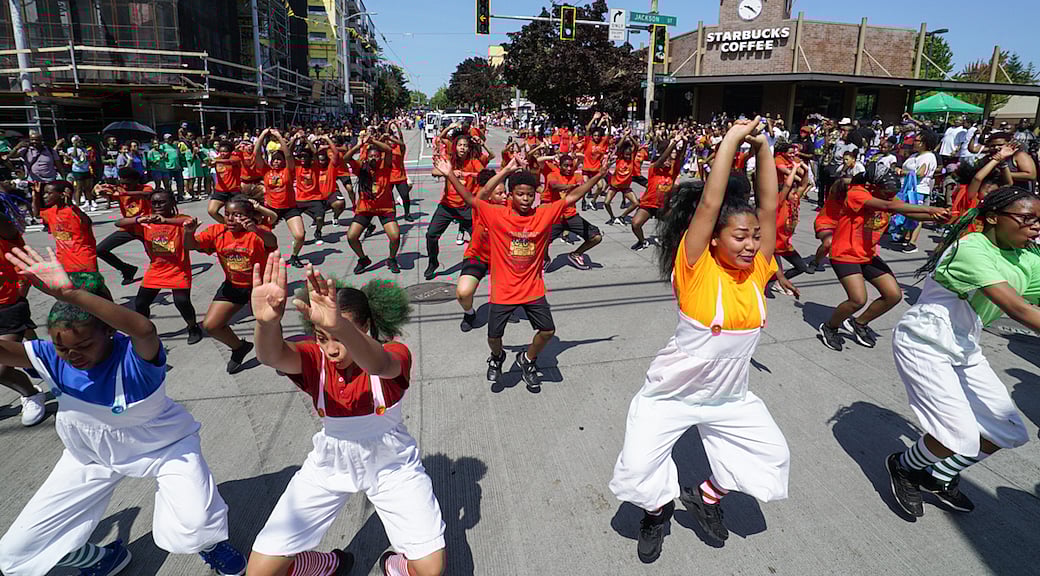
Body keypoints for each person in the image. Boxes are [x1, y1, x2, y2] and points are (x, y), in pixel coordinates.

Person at [0, 246, 247, 576]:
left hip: (165, 449)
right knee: (16, 551)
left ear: (109, 330)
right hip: (90, 457)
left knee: (197, 523)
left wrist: (69, 294)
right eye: (62, 348)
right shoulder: (50, 357)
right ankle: (99, 558)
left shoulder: (136, 359)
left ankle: (209, 545)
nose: (72, 356)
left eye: (83, 345)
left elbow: (144, 329)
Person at [609, 119, 790, 563]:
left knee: (770, 456)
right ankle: (657, 513)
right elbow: (711, 202)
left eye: (754, 237)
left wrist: (763, 147)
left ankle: (704, 496)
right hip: (671, 394)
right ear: (712, 239)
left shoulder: (757, 270)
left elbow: (769, 207)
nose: (751, 245)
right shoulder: (695, 267)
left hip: (729, 396)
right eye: (739, 237)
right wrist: (731, 141)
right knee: (638, 469)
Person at [247, 256, 445, 576]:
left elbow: (379, 365)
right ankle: (323, 564)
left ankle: (394, 565)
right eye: (321, 337)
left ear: (364, 328)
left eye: (340, 337)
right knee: (260, 572)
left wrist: (337, 325)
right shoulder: (314, 360)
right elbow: (272, 355)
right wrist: (267, 323)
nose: (331, 350)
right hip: (330, 461)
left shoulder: (394, 353)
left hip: (391, 464)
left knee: (430, 570)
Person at [886, 186, 1040, 518]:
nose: (1036, 226)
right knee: (959, 435)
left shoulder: (1027, 258)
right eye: (1027, 218)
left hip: (964, 348)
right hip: (924, 342)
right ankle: (904, 466)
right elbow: (1019, 309)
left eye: (1039, 220)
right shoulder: (971, 248)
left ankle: (937, 475)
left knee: (1008, 430)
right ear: (994, 218)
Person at [451, 154, 609, 391]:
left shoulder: (544, 213)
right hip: (503, 290)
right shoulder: (496, 215)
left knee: (548, 330)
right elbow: (472, 199)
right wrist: (449, 174)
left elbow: (573, 196)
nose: (525, 199)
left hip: (532, 288)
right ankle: (497, 357)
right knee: (494, 337)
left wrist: (599, 175)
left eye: (529, 194)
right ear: (510, 195)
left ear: (536, 194)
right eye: (519, 194)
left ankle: (527, 359)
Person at [818, 163, 948, 351]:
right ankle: (830, 327)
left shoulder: (886, 196)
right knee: (857, 300)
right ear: (873, 186)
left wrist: (937, 218)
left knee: (893, 295)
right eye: (887, 192)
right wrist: (930, 209)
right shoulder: (857, 193)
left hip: (867, 255)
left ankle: (859, 323)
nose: (890, 195)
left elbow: (906, 211)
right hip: (846, 254)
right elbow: (888, 206)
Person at [186, 195, 276, 374]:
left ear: (249, 217)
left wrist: (256, 230)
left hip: (260, 286)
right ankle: (239, 348)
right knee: (211, 325)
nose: (230, 218)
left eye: (237, 215)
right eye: (227, 214)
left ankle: (279, 352)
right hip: (233, 285)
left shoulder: (257, 232)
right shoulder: (217, 231)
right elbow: (191, 245)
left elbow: (272, 242)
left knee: (270, 325)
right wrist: (189, 232)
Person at [116, 189, 203, 345]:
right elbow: (119, 223)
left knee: (182, 301)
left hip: (178, 268)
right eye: (154, 203)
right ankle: (145, 330)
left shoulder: (179, 219)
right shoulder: (147, 222)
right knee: (141, 303)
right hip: (156, 269)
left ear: (172, 203)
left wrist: (165, 221)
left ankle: (193, 327)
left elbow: (189, 221)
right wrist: (139, 219)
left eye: (162, 202)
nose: (157, 206)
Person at [0, 206, 46, 426]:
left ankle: (31, 394)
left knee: (1, 369)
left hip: (7, 307)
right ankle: (36, 355)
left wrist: (20, 291)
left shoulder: (5, 232)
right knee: (27, 342)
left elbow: (8, 228)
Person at [426, 132, 487, 280]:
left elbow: (483, 174)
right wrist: (450, 172)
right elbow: (434, 171)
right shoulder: (449, 160)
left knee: (479, 237)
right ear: (455, 147)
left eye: (465, 145)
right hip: (447, 206)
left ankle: (482, 262)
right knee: (431, 235)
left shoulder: (473, 161)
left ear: (469, 148)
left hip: (466, 207)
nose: (462, 148)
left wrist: (467, 174)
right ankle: (433, 262)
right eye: (460, 145)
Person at [454, 168, 509, 333]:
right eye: (500, 193)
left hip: (502, 258)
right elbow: (484, 192)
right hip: (478, 256)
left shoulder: (511, 207)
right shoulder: (481, 206)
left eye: (505, 192)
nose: (505, 196)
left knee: (506, 292)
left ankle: (507, 307)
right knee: (463, 293)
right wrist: (507, 169)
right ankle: (469, 314)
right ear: (490, 195)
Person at [343, 135, 401, 274]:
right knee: (351, 236)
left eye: (376, 156)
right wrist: (358, 145)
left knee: (395, 236)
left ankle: (392, 259)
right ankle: (363, 259)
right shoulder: (361, 168)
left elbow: (388, 150)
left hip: (385, 208)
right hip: (365, 209)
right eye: (371, 156)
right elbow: (346, 158)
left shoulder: (385, 166)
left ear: (380, 157)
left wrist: (373, 141)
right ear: (366, 157)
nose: (373, 158)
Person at [254, 128, 308, 268]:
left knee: (300, 235)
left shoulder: (288, 170)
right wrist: (262, 135)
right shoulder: (266, 170)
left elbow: (288, 155)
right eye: (274, 159)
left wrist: (278, 136)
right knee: (259, 235)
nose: (276, 162)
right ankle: (263, 257)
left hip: (289, 208)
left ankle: (294, 256)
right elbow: (256, 153)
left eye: (279, 159)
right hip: (271, 208)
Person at [544, 155, 603, 270]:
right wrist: (570, 186)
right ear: (559, 166)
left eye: (571, 166)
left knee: (596, 237)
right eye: (566, 166)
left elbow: (582, 185)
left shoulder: (577, 176)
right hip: (555, 216)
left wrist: (581, 185)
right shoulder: (552, 175)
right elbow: (554, 186)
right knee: (542, 239)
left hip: (571, 216)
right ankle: (545, 258)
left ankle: (575, 254)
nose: (569, 168)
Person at [94, 168, 151, 285]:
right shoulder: (118, 189)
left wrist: (123, 193)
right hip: (128, 228)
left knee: (156, 256)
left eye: (128, 184)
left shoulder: (145, 188)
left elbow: (147, 194)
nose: (125, 186)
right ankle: (126, 269)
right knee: (100, 250)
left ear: (136, 181)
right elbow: (96, 193)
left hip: (147, 228)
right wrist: (97, 190)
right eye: (122, 183)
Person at [630, 134, 682, 251]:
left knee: (677, 224)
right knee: (635, 224)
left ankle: (668, 240)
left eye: (670, 159)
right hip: (648, 204)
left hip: (664, 206)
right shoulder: (654, 168)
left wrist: (685, 143)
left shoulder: (673, 170)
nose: (668, 161)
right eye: (666, 158)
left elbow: (680, 157)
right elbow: (662, 158)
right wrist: (673, 143)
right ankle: (642, 241)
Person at [893, 129, 939, 253]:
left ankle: (912, 242)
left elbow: (920, 173)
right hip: (907, 188)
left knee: (916, 216)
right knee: (905, 213)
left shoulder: (928, 156)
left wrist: (903, 172)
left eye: (917, 140)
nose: (914, 142)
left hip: (918, 189)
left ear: (924, 143)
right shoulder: (915, 155)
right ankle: (904, 236)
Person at [605, 133, 642, 226]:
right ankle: (612, 217)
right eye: (626, 155)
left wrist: (630, 136)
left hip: (625, 187)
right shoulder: (619, 158)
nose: (628, 156)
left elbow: (637, 146)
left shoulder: (632, 159)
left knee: (636, 203)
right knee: (606, 203)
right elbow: (618, 146)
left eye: (629, 155)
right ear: (623, 154)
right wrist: (624, 135)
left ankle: (622, 217)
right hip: (614, 185)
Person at [387, 121, 416, 221]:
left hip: (400, 176)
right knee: (389, 198)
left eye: (393, 140)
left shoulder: (400, 148)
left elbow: (401, 139)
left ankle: (407, 214)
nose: (391, 142)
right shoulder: (386, 149)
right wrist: (389, 125)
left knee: (405, 195)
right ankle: (392, 216)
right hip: (388, 177)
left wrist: (397, 127)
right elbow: (386, 135)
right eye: (390, 141)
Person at [209, 142, 243, 223]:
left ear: (230, 152)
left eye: (225, 151)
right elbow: (210, 164)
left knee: (237, 213)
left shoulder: (235, 158)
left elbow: (230, 161)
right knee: (212, 211)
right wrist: (209, 162)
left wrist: (217, 161)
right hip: (220, 190)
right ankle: (226, 224)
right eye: (221, 151)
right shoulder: (217, 159)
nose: (222, 153)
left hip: (234, 190)